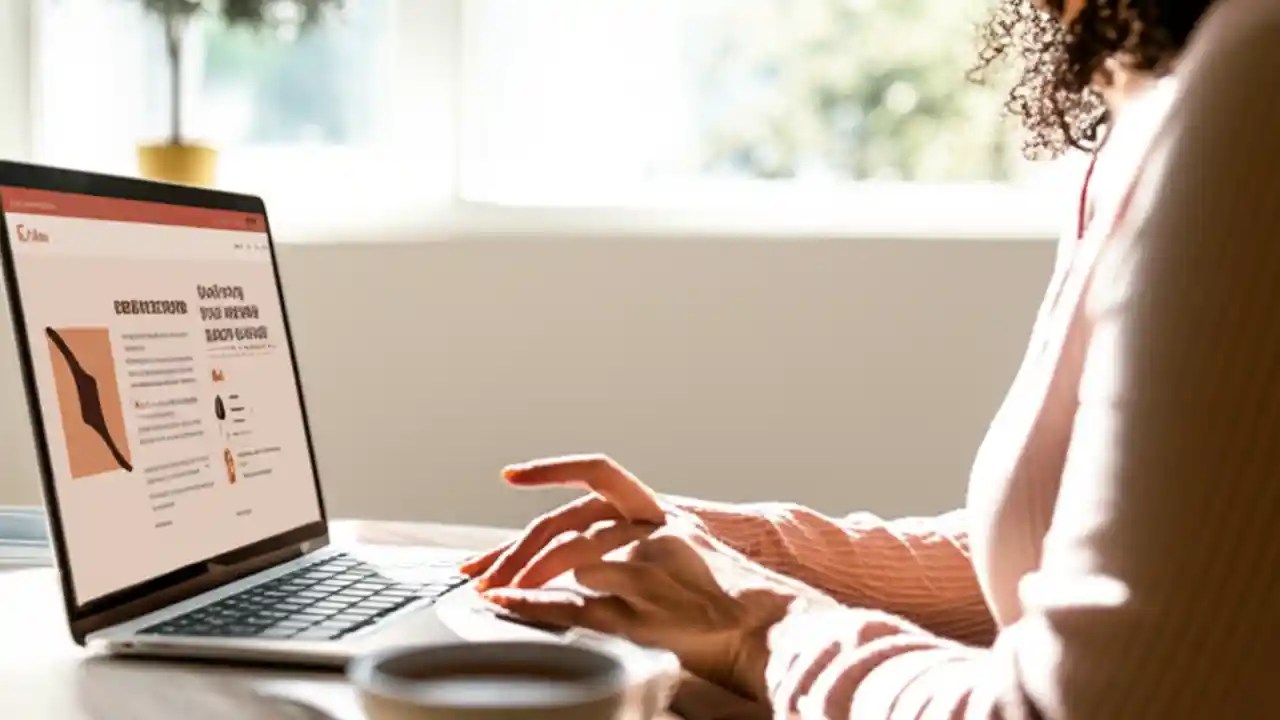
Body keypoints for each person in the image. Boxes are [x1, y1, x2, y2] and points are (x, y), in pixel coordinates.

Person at [461, 0, 1280, 716]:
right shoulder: (1153, 97)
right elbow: (1090, 558)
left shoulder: (1257, 79)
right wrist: (744, 554)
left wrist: (760, 627)